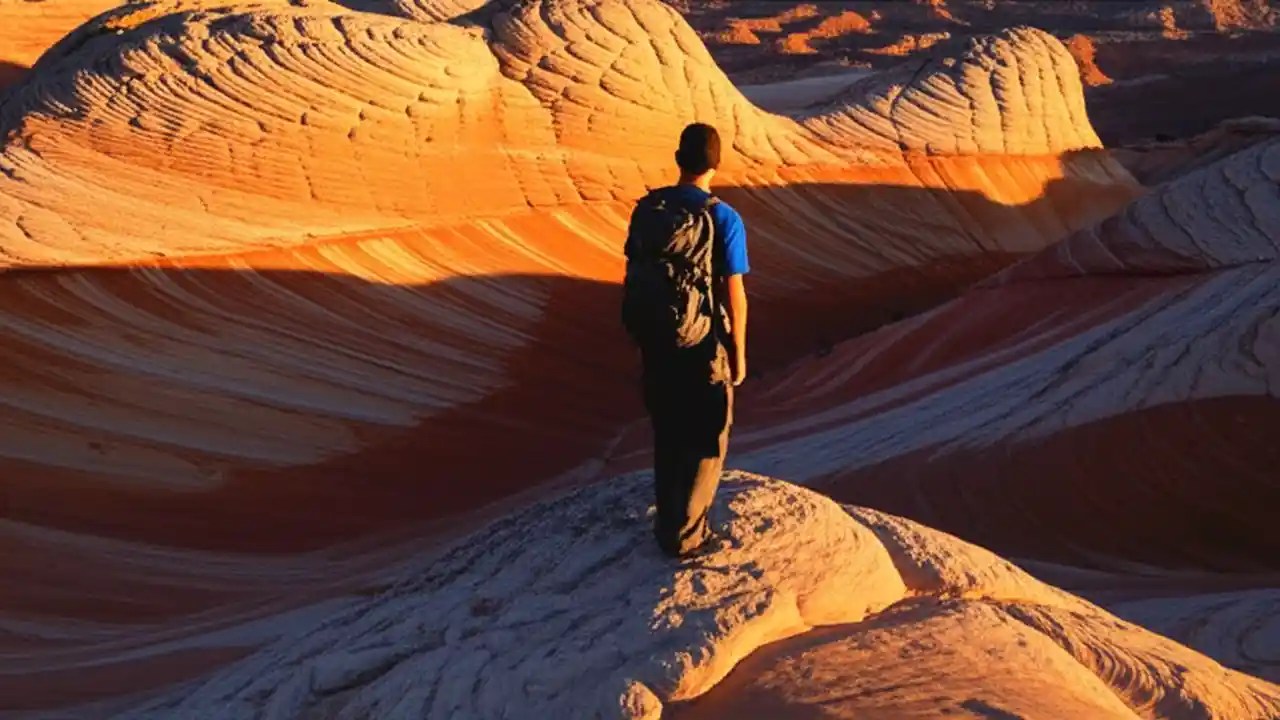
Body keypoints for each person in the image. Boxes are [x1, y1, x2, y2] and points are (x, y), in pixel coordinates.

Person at [621, 122, 749, 558]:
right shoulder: (722, 216)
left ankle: (668, 522)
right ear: (716, 164)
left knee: (668, 429)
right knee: (708, 435)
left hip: (657, 340)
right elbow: (735, 294)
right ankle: (688, 536)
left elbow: (636, 270)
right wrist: (739, 353)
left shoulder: (648, 209)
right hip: (701, 343)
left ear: (679, 159)